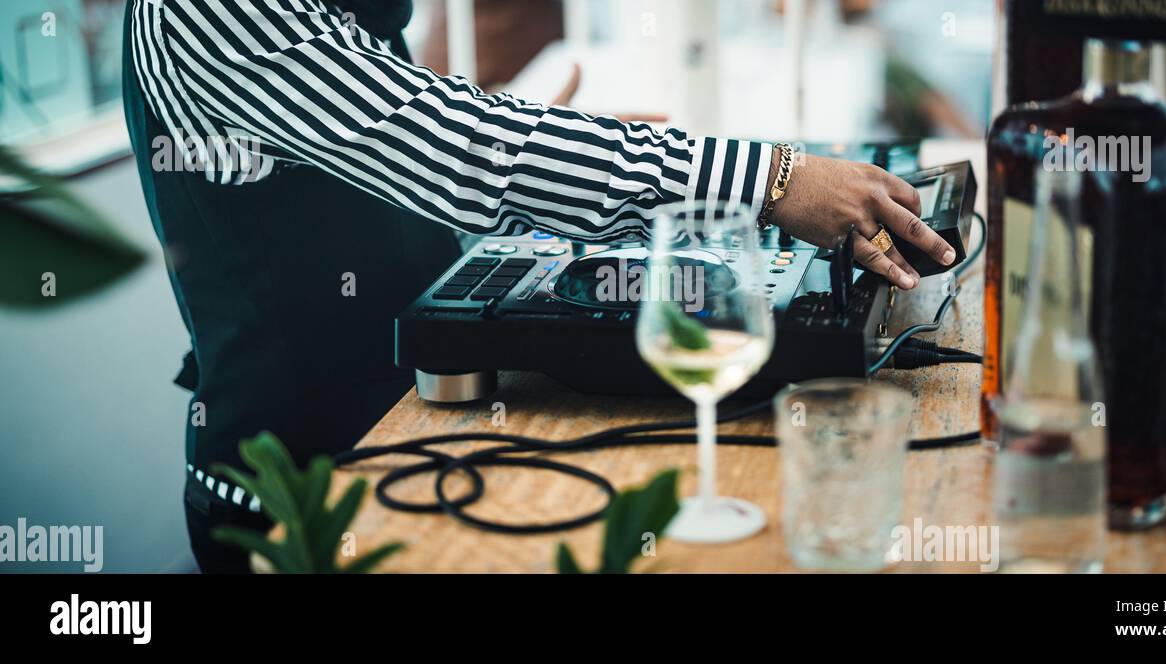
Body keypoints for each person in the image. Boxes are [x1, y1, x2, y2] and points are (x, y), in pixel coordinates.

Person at [123, 0, 955, 573]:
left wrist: (584, 149)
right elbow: (457, 152)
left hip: (427, 433)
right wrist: (768, 178)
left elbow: (387, 146)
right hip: (305, 491)